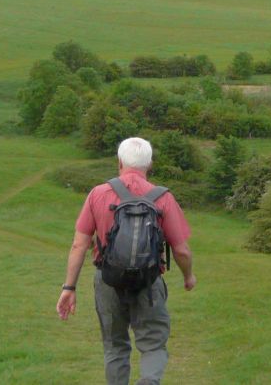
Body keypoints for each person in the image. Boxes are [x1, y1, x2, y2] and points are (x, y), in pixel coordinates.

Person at [56, 137, 196, 385]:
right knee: (153, 345)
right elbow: (181, 250)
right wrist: (188, 277)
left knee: (115, 346)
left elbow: (79, 244)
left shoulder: (98, 194)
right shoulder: (163, 198)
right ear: (149, 164)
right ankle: (149, 381)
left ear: (119, 161)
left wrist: (69, 287)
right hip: (149, 282)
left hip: (107, 281)